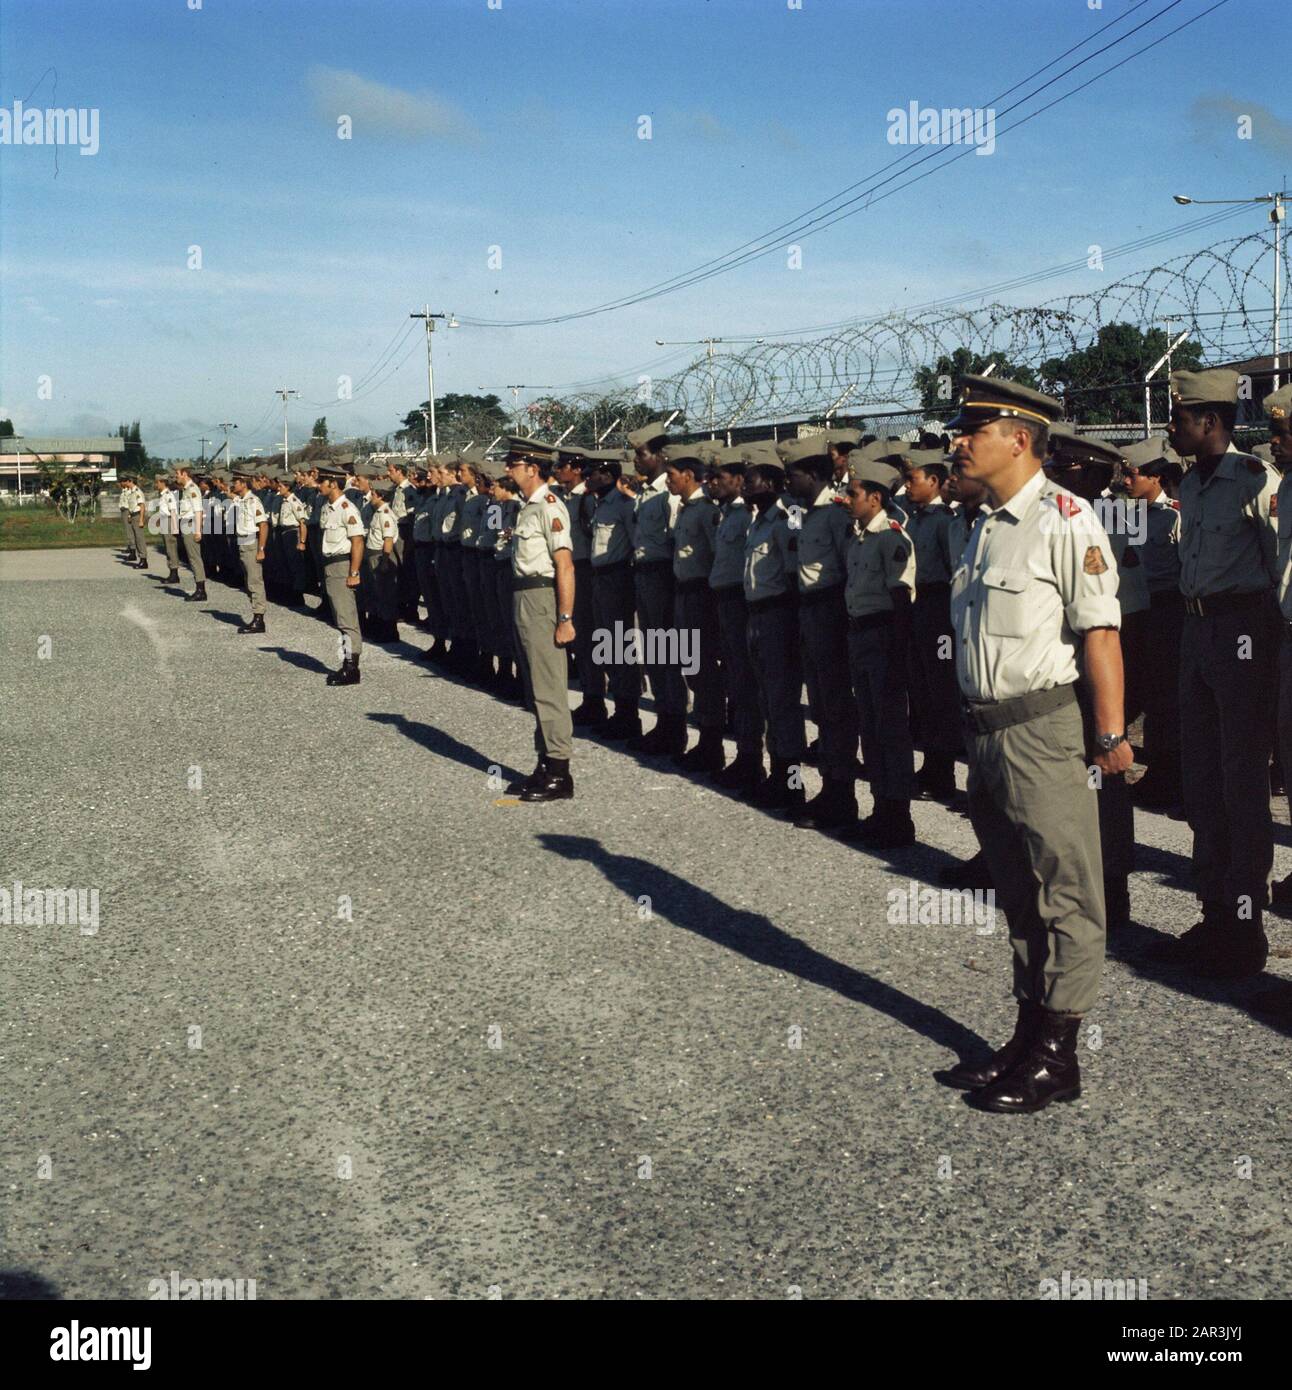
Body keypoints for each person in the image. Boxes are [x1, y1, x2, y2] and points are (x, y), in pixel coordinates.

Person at [936, 375, 1126, 1115]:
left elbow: (1101, 632)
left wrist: (1109, 735)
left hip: (1041, 728)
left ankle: (1059, 1055)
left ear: (1018, 437)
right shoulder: (983, 522)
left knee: (1065, 890)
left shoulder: (1065, 518)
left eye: (971, 429)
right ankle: (1027, 1032)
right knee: (1018, 891)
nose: (958, 441)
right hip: (986, 729)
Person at [1153, 368, 1279, 978]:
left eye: (1179, 419)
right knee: (1201, 779)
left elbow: (1280, 572)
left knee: (1240, 781)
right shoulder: (1193, 487)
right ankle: (1213, 913)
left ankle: (1244, 927)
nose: (1172, 429)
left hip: (1243, 632)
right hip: (1196, 629)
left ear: (1210, 422)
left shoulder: (1255, 482)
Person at [1045, 426, 1144, 933]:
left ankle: (1112, 893)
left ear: (1081, 473)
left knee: (1104, 780)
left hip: (1098, 660)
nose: (1050, 478)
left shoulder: (1096, 518)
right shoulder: (1060, 517)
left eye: (1059, 471)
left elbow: (1117, 614)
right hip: (1072, 660)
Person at [783, 435, 859, 831]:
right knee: (819, 704)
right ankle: (831, 784)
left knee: (834, 705)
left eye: (792, 474)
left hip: (829, 611)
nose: (787, 482)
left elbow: (850, 571)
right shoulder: (801, 512)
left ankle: (842, 791)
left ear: (812, 474)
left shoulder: (837, 513)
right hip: (806, 610)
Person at [842, 458, 917, 847]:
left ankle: (898, 815)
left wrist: (897, 657)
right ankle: (880, 807)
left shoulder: (892, 538)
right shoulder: (860, 537)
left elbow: (901, 601)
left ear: (875, 497)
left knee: (890, 730)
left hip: (882, 638)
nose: (846, 498)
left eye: (853, 493)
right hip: (860, 636)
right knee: (870, 728)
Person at [503, 437, 577, 802]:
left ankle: (560, 772)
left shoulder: (550, 506)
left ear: (532, 468)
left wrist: (565, 618)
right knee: (533, 685)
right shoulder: (526, 507)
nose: (507, 470)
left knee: (548, 687)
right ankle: (544, 762)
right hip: (522, 595)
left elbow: (564, 565)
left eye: (513, 464)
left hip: (542, 598)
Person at [1119, 439, 1184, 810]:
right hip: (1133, 612)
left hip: (1165, 611)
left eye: (1133, 474)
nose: (1126, 481)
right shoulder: (1125, 515)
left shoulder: (1174, 516)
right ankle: (1155, 776)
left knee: (1165, 699)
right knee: (1136, 692)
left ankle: (1169, 778)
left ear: (1155, 477)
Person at [742, 452, 806, 811]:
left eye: (751, 480)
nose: (746, 487)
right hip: (757, 616)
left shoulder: (788, 517)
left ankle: (793, 784)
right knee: (768, 700)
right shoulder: (757, 521)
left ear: (770, 482)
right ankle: (777, 773)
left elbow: (796, 573)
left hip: (779, 615)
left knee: (784, 703)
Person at [901, 449, 960, 801]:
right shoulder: (914, 518)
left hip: (939, 610)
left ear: (934, 482)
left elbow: (953, 572)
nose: (908, 487)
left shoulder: (943, 522)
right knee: (921, 687)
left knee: (941, 688)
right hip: (918, 606)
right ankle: (930, 761)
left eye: (914, 480)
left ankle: (944, 769)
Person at [628, 421, 688, 756]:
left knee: (668, 653)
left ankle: (675, 726)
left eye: (642, 454)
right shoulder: (647, 491)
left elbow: (676, 541)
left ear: (660, 455)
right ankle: (664, 721)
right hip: (644, 576)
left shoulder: (670, 494)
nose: (636, 460)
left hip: (664, 578)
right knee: (653, 653)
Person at [665, 441, 725, 772]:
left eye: (672, 475)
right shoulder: (686, 509)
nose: (669, 480)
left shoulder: (706, 511)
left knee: (704, 671)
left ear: (689, 475)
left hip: (700, 595)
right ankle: (704, 737)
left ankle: (711, 743)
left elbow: (718, 556)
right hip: (683, 593)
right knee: (691, 667)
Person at [708, 447, 762, 792]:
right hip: (724, 603)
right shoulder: (726, 515)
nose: (712, 483)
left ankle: (752, 759)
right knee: (733, 680)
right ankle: (745, 756)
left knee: (745, 684)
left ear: (739, 481)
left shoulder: (746, 518)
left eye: (719, 477)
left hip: (741, 605)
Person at [587, 449, 641, 739]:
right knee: (605, 645)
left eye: (592, 473)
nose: (588, 478)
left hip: (617, 577)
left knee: (620, 645)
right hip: (600, 578)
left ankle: (628, 713)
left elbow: (636, 544)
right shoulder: (600, 504)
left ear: (608, 476)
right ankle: (618, 708)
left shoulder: (623, 505)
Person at [554, 446, 607, 726]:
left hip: (584, 571)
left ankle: (596, 699)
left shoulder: (586, 500)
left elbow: (589, 533)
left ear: (576, 469)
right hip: (572, 570)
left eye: (563, 465)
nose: (558, 469)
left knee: (587, 637)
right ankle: (590, 696)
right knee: (580, 640)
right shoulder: (565, 497)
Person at [315, 466, 367, 684]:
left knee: (346, 618)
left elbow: (357, 541)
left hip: (342, 565)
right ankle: (346, 662)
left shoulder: (347, 508)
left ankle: (351, 667)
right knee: (339, 616)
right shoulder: (328, 508)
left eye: (321, 482)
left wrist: (354, 572)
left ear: (333, 484)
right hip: (330, 565)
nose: (318, 486)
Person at [230, 470, 269, 634]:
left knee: (255, 581)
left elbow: (263, 525)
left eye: (236, 482)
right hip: (242, 541)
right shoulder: (241, 500)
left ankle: (259, 619)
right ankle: (256, 615)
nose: (234, 485)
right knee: (248, 582)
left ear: (243, 483)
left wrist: (261, 549)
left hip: (252, 541)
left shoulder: (253, 501)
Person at [363, 478, 400, 642]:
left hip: (381, 555)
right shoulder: (377, 513)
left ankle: (388, 630)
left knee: (385, 594)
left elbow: (388, 540)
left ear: (379, 495)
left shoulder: (385, 515)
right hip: (373, 554)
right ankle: (378, 626)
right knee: (376, 592)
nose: (371, 497)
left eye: (373, 494)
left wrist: (384, 561)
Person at [174, 463, 208, 601]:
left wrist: (198, 530)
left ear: (184, 474)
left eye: (178, 474)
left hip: (191, 525)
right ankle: (199, 588)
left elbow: (198, 510)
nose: (176, 477)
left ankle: (201, 590)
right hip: (186, 524)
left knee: (195, 558)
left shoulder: (193, 489)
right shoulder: (186, 489)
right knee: (192, 558)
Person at [154, 473, 182, 583]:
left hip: (169, 522)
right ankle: (172, 571)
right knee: (168, 548)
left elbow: (173, 512)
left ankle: (174, 573)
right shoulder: (163, 495)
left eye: (157, 482)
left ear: (162, 482)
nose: (156, 485)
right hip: (165, 522)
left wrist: (175, 528)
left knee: (171, 548)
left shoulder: (168, 495)